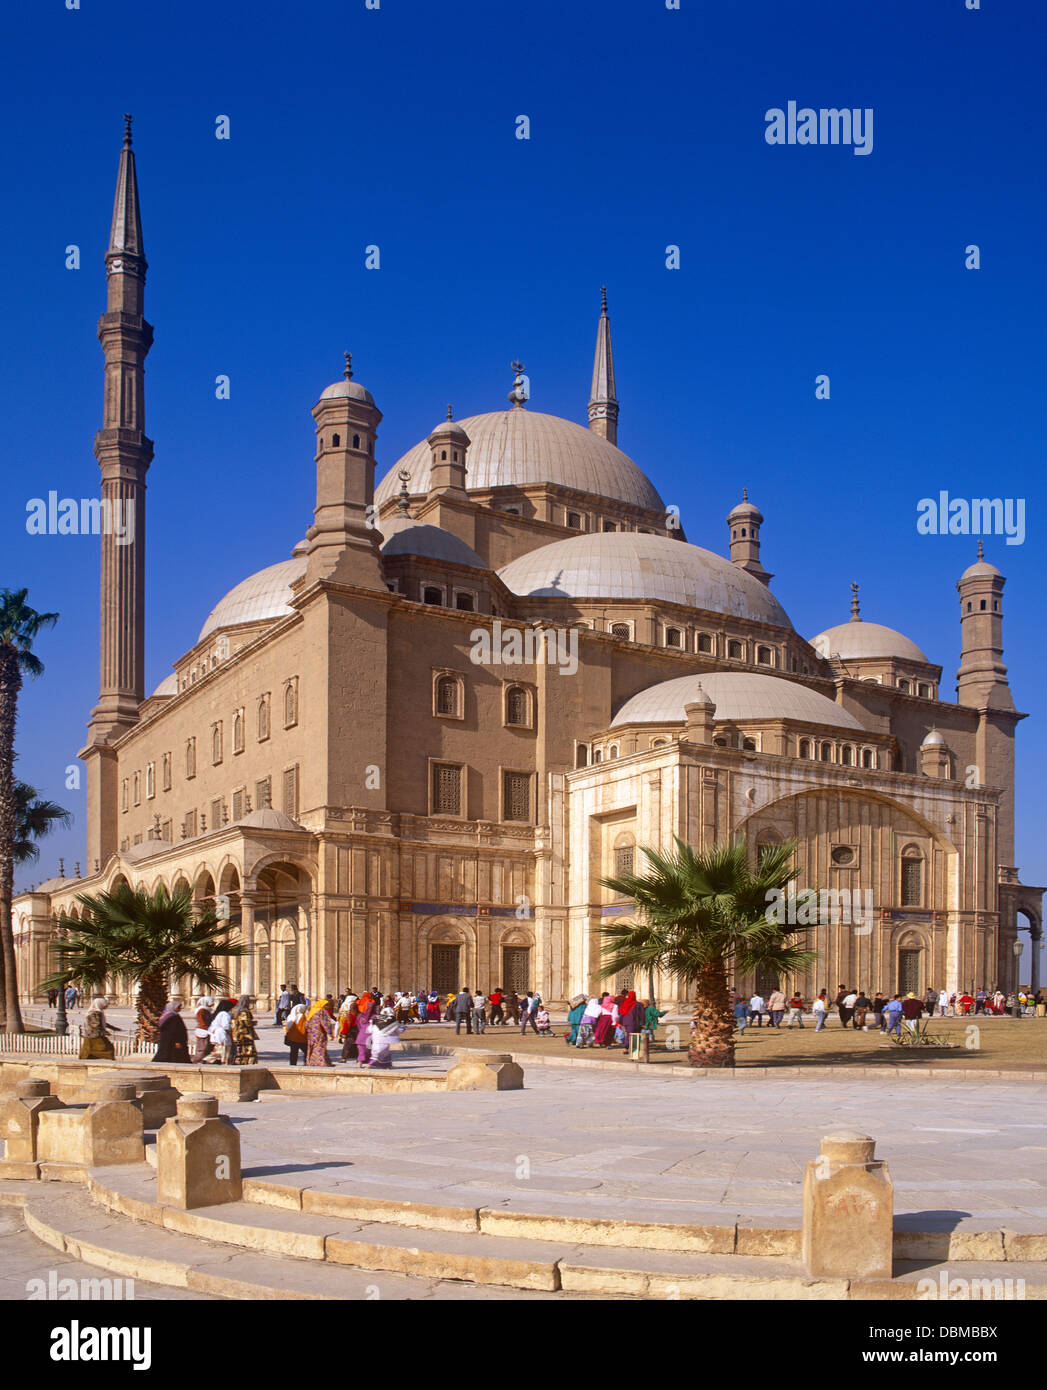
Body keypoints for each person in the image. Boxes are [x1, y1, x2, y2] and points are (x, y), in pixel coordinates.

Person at [154, 997, 189, 1064]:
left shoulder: (168, 1016)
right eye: (178, 1007)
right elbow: (174, 1031)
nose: (180, 1009)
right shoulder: (172, 1017)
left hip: (168, 1041)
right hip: (172, 1042)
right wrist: (177, 1041)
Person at [304, 996, 335, 1066]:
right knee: (320, 1047)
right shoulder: (322, 1011)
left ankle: (312, 1062)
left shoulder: (312, 1011)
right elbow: (325, 1023)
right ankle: (321, 1062)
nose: (327, 1007)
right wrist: (329, 1033)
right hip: (319, 1032)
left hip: (311, 1033)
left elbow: (306, 1023)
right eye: (326, 1005)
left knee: (313, 1047)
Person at [232, 995, 259, 1065]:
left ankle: (239, 1060)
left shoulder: (234, 1011)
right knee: (248, 1048)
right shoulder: (245, 1011)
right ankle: (248, 1061)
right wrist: (253, 1023)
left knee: (240, 1047)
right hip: (245, 1033)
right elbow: (247, 1022)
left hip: (237, 1033)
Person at [207, 999, 235, 1064]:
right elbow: (226, 1026)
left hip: (217, 1034)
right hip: (222, 1034)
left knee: (219, 1049)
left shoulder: (220, 1013)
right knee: (224, 1050)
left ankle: (210, 1060)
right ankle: (224, 1062)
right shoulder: (225, 1014)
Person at [283, 998, 308, 1066]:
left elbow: (287, 1027)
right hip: (301, 1038)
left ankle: (292, 1064)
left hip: (292, 1038)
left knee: (293, 1052)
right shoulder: (302, 1017)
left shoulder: (290, 1016)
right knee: (306, 1051)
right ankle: (306, 1063)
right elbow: (304, 1027)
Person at [354, 996, 378, 1066]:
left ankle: (359, 1064)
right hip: (370, 1038)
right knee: (370, 1053)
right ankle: (369, 1065)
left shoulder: (361, 1016)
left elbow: (358, 1026)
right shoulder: (375, 1017)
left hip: (360, 1037)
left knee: (361, 1052)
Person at [193, 997, 215, 1062]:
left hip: (206, 1030)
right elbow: (202, 1022)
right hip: (203, 1031)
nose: (213, 1004)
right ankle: (198, 1060)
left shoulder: (206, 1010)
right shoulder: (201, 1011)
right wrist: (208, 1029)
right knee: (202, 1047)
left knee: (207, 1047)